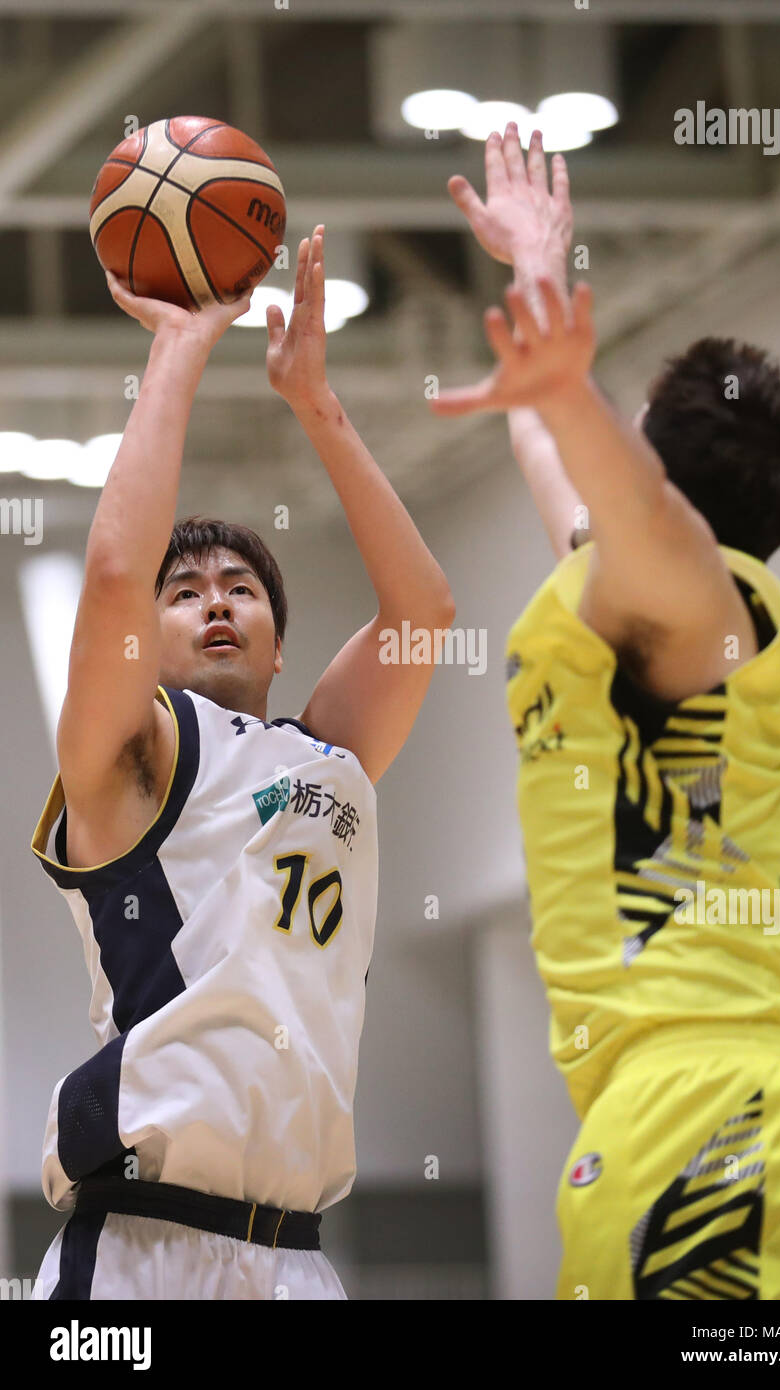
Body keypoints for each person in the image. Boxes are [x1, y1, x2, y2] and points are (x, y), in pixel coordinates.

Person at [433, 124, 780, 1300]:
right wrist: (535, 263)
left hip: (711, 1126)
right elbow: (544, 449)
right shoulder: (614, 596)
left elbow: (649, 528)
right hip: (699, 1113)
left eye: (616, 427)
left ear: (655, 473)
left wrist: (566, 391)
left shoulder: (703, 610)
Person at [30, 227, 455, 1300]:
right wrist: (181, 338)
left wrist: (316, 403)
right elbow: (117, 571)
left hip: (300, 1254)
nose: (214, 597)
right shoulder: (131, 765)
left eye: (240, 586)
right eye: (186, 592)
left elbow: (423, 611)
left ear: (276, 640)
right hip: (140, 1247)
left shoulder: (327, 759)